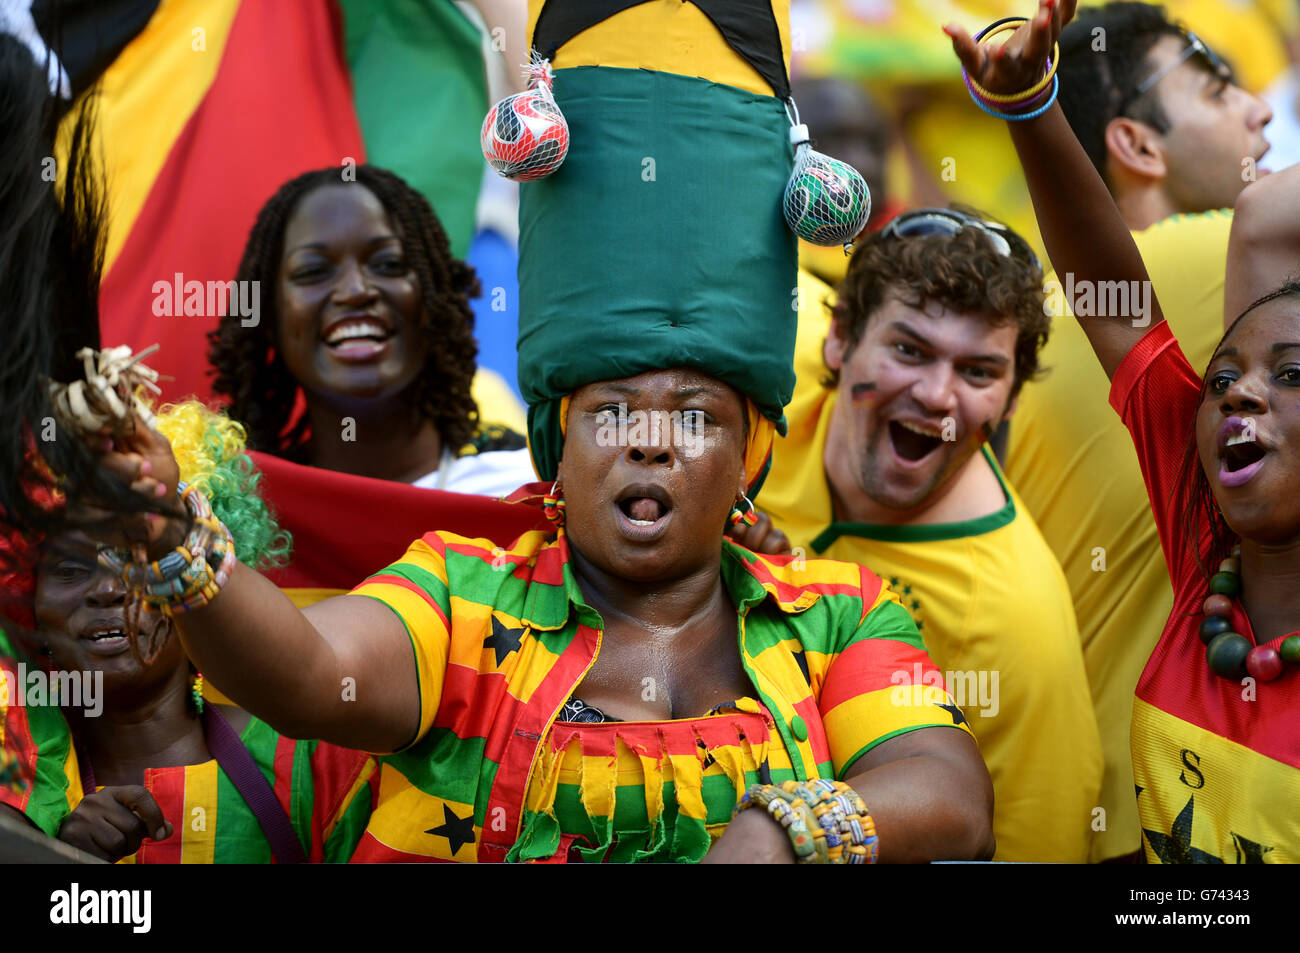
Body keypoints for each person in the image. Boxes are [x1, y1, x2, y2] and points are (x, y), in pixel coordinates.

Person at [76, 0, 996, 864]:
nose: (649, 440)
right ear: (556, 440)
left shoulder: (837, 614)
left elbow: (953, 793)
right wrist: (169, 535)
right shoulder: (463, 597)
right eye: (609, 411)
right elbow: (309, 674)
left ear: (750, 453)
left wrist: (781, 827)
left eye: (695, 416)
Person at [947, 0, 1300, 862]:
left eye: (1290, 376)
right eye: (1221, 381)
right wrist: (1028, 104)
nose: (1240, 396)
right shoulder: (1202, 557)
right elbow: (1115, 298)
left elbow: (1264, 218)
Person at [754, 206, 1101, 862]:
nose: (938, 395)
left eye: (978, 371)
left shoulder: (1013, 622)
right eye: (909, 350)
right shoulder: (760, 375)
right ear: (840, 337)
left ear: (1012, 398)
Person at [17, 402, 376, 863]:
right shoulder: (19, 766)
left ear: (207, 595)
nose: (107, 590)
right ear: (28, 600)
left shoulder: (315, 764)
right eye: (70, 568)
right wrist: (52, 858)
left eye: (139, 558)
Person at [208, 165, 536, 495]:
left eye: (388, 264)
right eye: (313, 271)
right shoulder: (241, 516)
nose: (355, 291)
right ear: (270, 318)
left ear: (435, 299)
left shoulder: (531, 490)